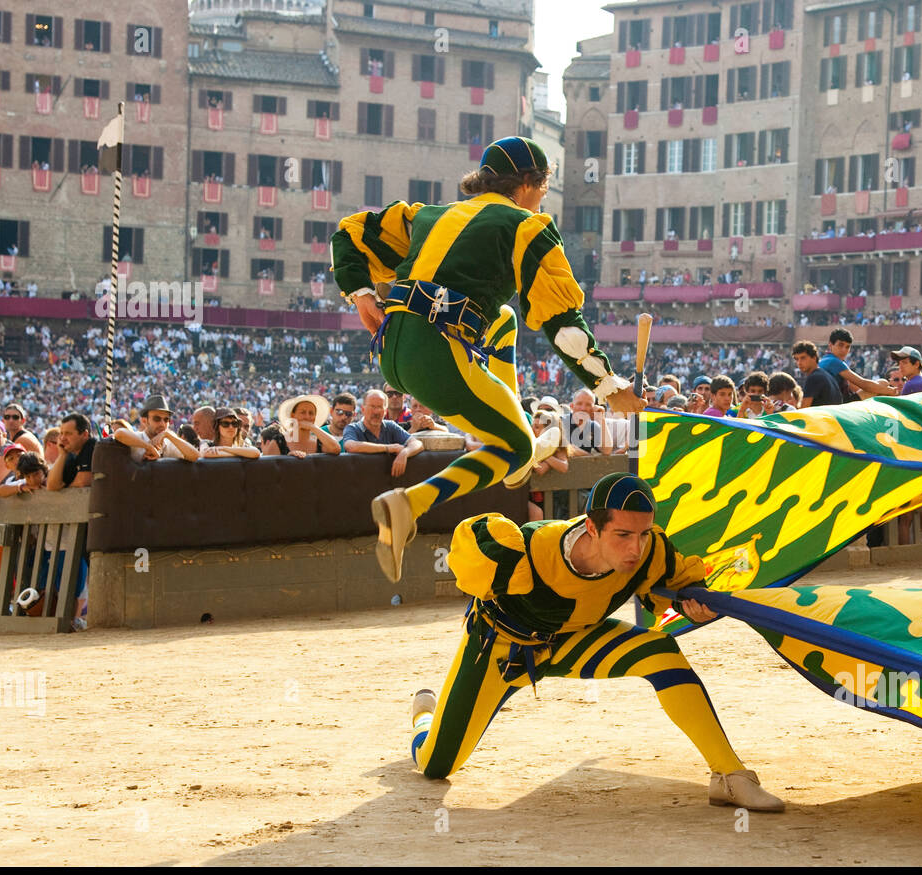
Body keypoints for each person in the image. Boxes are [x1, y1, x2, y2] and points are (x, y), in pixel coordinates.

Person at [332, 136, 643, 581]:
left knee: (503, 319)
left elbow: (349, 232)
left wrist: (361, 295)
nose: (542, 199)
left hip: (392, 348)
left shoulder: (429, 215)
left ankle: (514, 433)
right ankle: (409, 504)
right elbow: (564, 324)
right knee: (515, 448)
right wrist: (610, 387)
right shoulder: (526, 226)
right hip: (434, 356)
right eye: (544, 188)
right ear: (532, 183)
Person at [409, 472, 784, 811]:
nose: (635, 548)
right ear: (591, 527)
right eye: (622, 535)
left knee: (661, 653)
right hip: (498, 652)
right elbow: (470, 550)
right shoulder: (530, 548)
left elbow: (677, 585)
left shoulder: (650, 551)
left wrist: (694, 604)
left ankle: (729, 776)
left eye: (643, 533)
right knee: (436, 766)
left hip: (574, 641)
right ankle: (426, 718)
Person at [341, 389, 424, 476]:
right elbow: (351, 446)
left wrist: (405, 453)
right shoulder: (352, 428)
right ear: (363, 409)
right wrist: (388, 448)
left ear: (385, 411)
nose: (376, 412)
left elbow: (417, 444)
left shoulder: (390, 426)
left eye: (380, 407)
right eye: (372, 407)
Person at [110, 394, 199, 462]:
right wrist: (149, 447)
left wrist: (168, 434)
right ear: (144, 421)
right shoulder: (135, 439)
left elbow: (196, 457)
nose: (162, 424)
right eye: (157, 419)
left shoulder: (169, 444)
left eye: (166, 419)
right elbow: (119, 433)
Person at [819, 328, 897, 402]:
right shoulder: (833, 361)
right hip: (838, 404)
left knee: (881, 386)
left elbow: (854, 386)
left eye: (847, 347)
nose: (844, 350)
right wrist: (891, 391)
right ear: (830, 345)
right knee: (883, 383)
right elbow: (863, 384)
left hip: (836, 400)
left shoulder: (826, 359)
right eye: (840, 345)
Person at [48, 413, 97, 489]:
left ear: (84, 435)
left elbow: (83, 482)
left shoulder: (92, 446)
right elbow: (52, 486)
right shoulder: (70, 454)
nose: (63, 438)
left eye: (68, 433)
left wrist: (65, 489)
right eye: (61, 433)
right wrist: (62, 455)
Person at [792, 340, 842, 407]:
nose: (799, 363)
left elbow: (803, 410)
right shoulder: (826, 375)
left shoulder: (814, 378)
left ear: (814, 358)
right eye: (796, 359)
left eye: (803, 358)